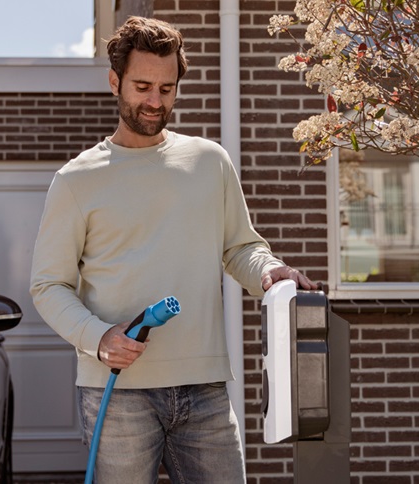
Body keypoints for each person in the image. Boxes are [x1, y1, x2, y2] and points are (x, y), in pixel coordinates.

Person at [29, 16, 317, 483]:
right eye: (142, 86)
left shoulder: (209, 162)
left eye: (166, 89)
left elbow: (241, 247)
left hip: (204, 389)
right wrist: (98, 337)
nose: (153, 101)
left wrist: (268, 272)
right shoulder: (76, 180)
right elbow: (49, 285)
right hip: (117, 394)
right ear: (114, 82)